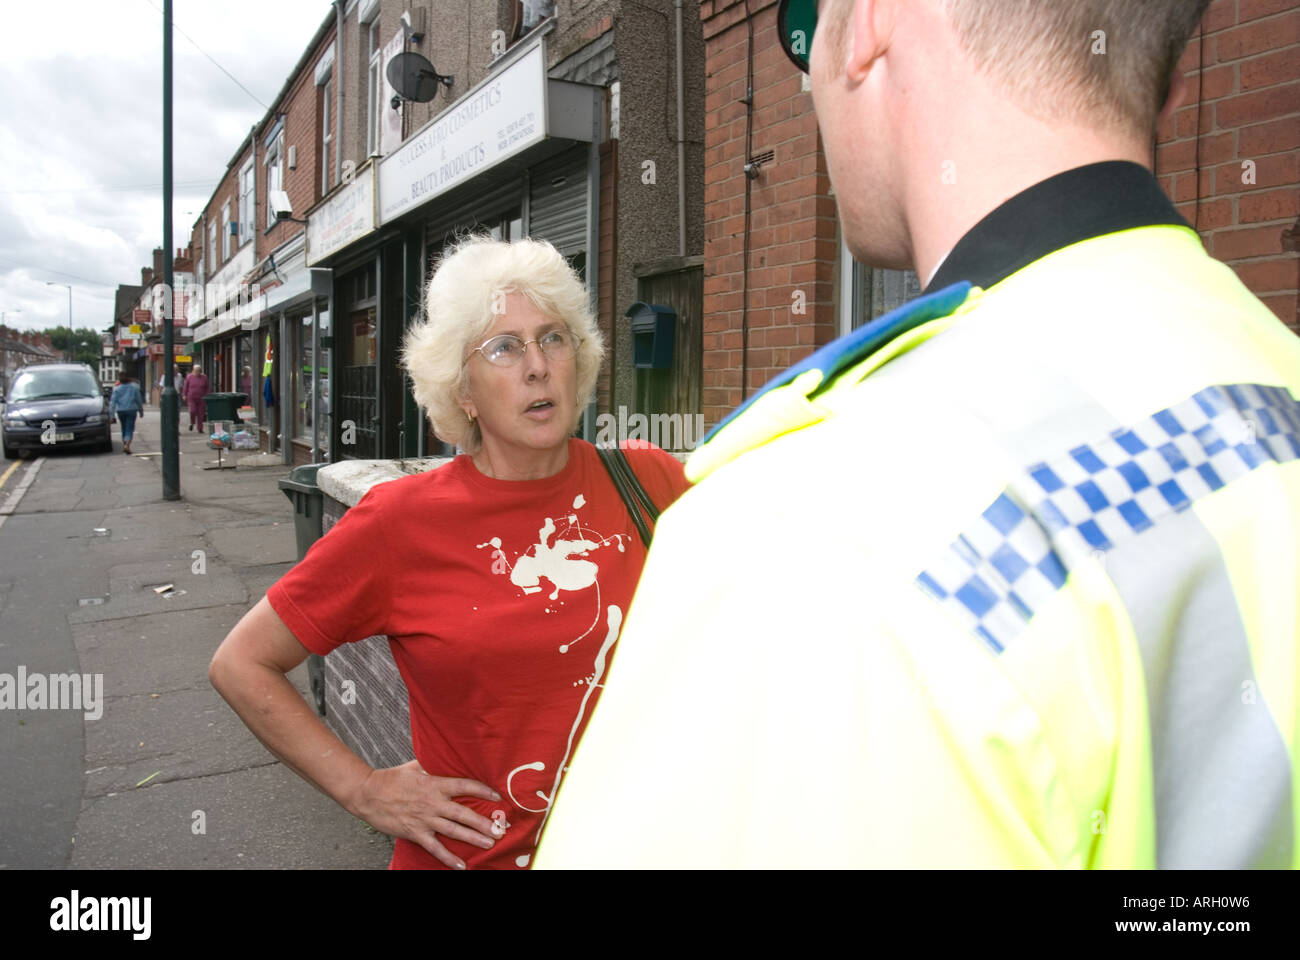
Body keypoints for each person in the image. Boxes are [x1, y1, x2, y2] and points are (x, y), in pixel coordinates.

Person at [536, 0, 1300, 869]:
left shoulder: (817, 534)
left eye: (811, 30)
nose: (814, 78)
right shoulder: (1269, 378)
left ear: (870, 21)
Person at [209, 236, 691, 870]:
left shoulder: (648, 481)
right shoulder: (401, 521)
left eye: (553, 338)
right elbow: (241, 663)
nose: (537, 366)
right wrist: (364, 789)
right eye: (504, 348)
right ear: (463, 391)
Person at [107, 373, 144, 455]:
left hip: (121, 410)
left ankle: (125, 444)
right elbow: (138, 400)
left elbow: (113, 402)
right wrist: (141, 411)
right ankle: (127, 444)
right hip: (131, 410)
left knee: (123, 427)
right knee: (129, 428)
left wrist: (111, 415)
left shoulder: (117, 389)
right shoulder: (134, 387)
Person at [182, 365, 209, 432]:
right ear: (193, 371)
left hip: (201, 398)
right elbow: (185, 387)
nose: (198, 372)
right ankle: (192, 422)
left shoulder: (204, 377)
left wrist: (207, 396)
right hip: (191, 397)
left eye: (199, 371)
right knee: (192, 411)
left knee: (201, 413)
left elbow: (207, 388)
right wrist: (184, 395)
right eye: (196, 371)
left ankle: (200, 428)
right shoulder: (189, 377)